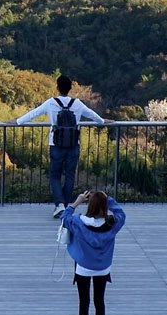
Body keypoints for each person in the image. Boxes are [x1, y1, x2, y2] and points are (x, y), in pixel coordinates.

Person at [15, 75, 105, 216]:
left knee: (55, 175)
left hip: (56, 144)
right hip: (73, 145)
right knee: (70, 175)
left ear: (57, 87)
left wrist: (17, 121)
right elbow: (94, 116)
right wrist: (104, 121)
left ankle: (60, 205)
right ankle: (65, 205)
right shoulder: (77, 104)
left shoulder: (51, 102)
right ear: (70, 88)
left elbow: (33, 113)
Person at [62, 190, 127, 315]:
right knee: (100, 300)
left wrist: (77, 202)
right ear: (105, 207)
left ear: (89, 206)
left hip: (83, 266)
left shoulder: (78, 222)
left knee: (84, 301)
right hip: (103, 267)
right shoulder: (113, 223)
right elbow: (122, 214)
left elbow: (64, 218)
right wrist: (107, 199)